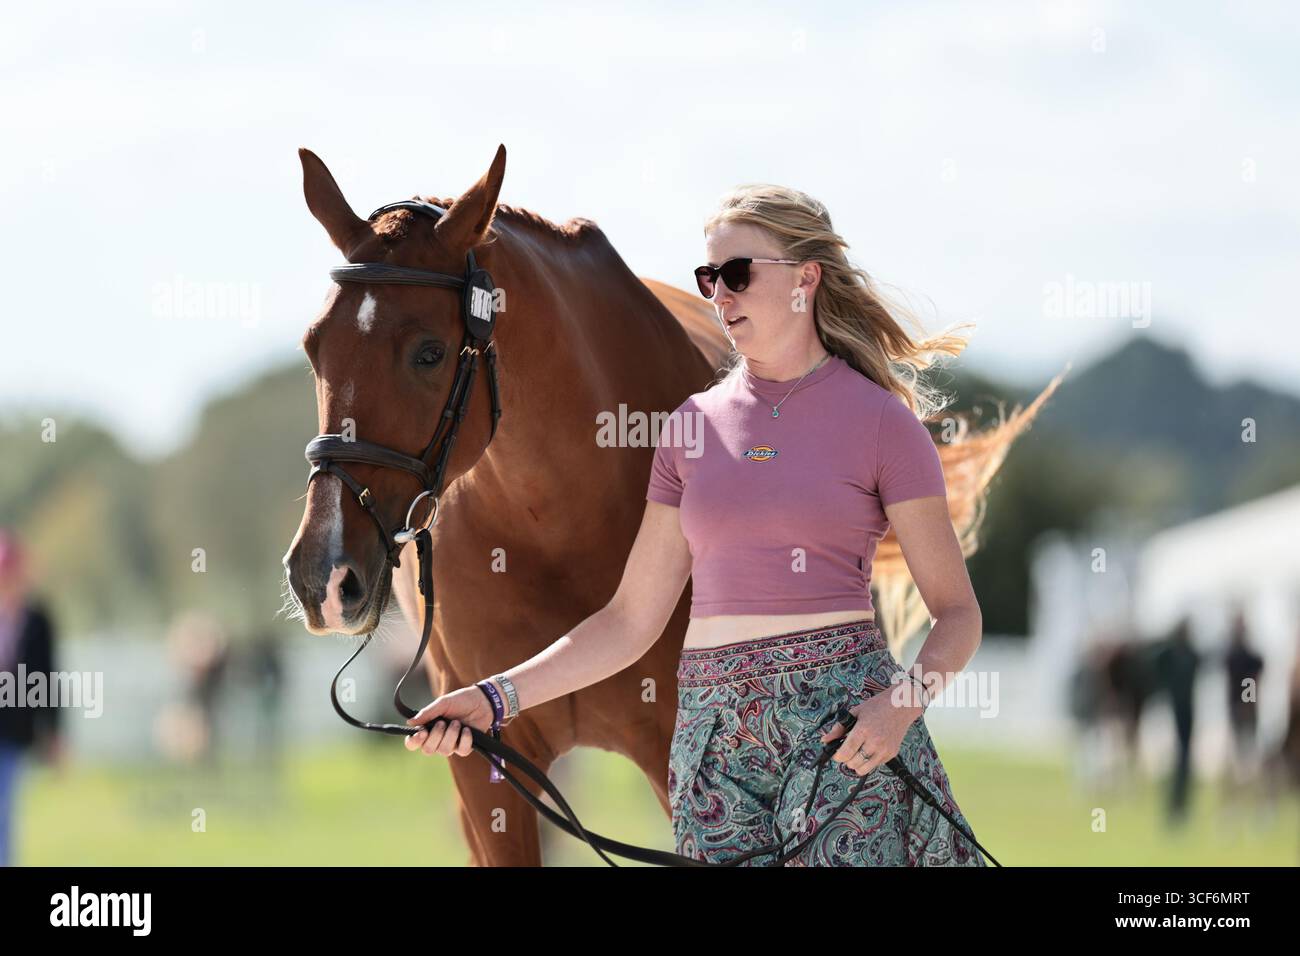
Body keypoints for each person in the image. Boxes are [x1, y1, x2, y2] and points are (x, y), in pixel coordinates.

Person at [404, 184, 994, 866]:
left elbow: (957, 615)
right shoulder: (690, 429)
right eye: (709, 278)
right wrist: (492, 698)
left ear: (807, 278)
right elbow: (629, 620)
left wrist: (900, 708)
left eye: (739, 274)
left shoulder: (881, 424)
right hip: (714, 755)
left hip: (848, 736)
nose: (720, 295)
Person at [0, 530, 64, 867]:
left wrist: (53, 734)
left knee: (3, 806)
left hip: (12, 730)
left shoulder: (37, 620)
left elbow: (49, 679)